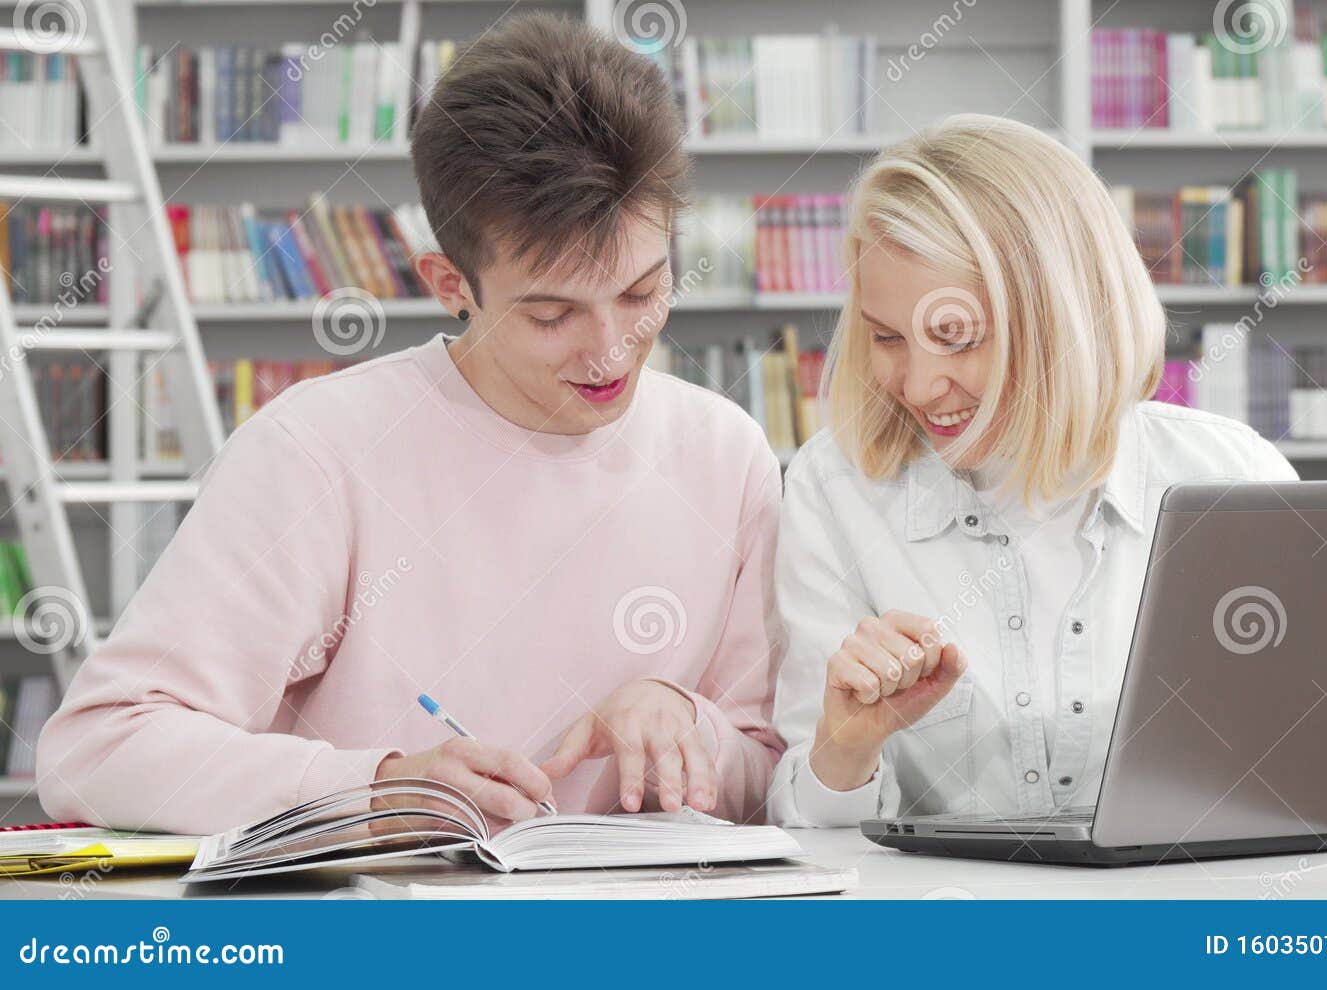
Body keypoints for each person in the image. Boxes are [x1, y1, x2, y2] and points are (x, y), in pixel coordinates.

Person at [36, 13, 782, 835]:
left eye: (642, 293)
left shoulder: (729, 455)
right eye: (550, 314)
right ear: (447, 282)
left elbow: (772, 770)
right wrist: (376, 790)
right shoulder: (319, 450)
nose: (613, 349)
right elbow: (97, 748)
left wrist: (687, 720)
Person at [766, 114, 1298, 827]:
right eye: (887, 338)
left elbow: (1322, 772)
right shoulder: (835, 490)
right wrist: (846, 748)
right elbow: (810, 832)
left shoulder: (1233, 478)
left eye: (959, 340)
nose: (920, 387)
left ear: (1061, 321)